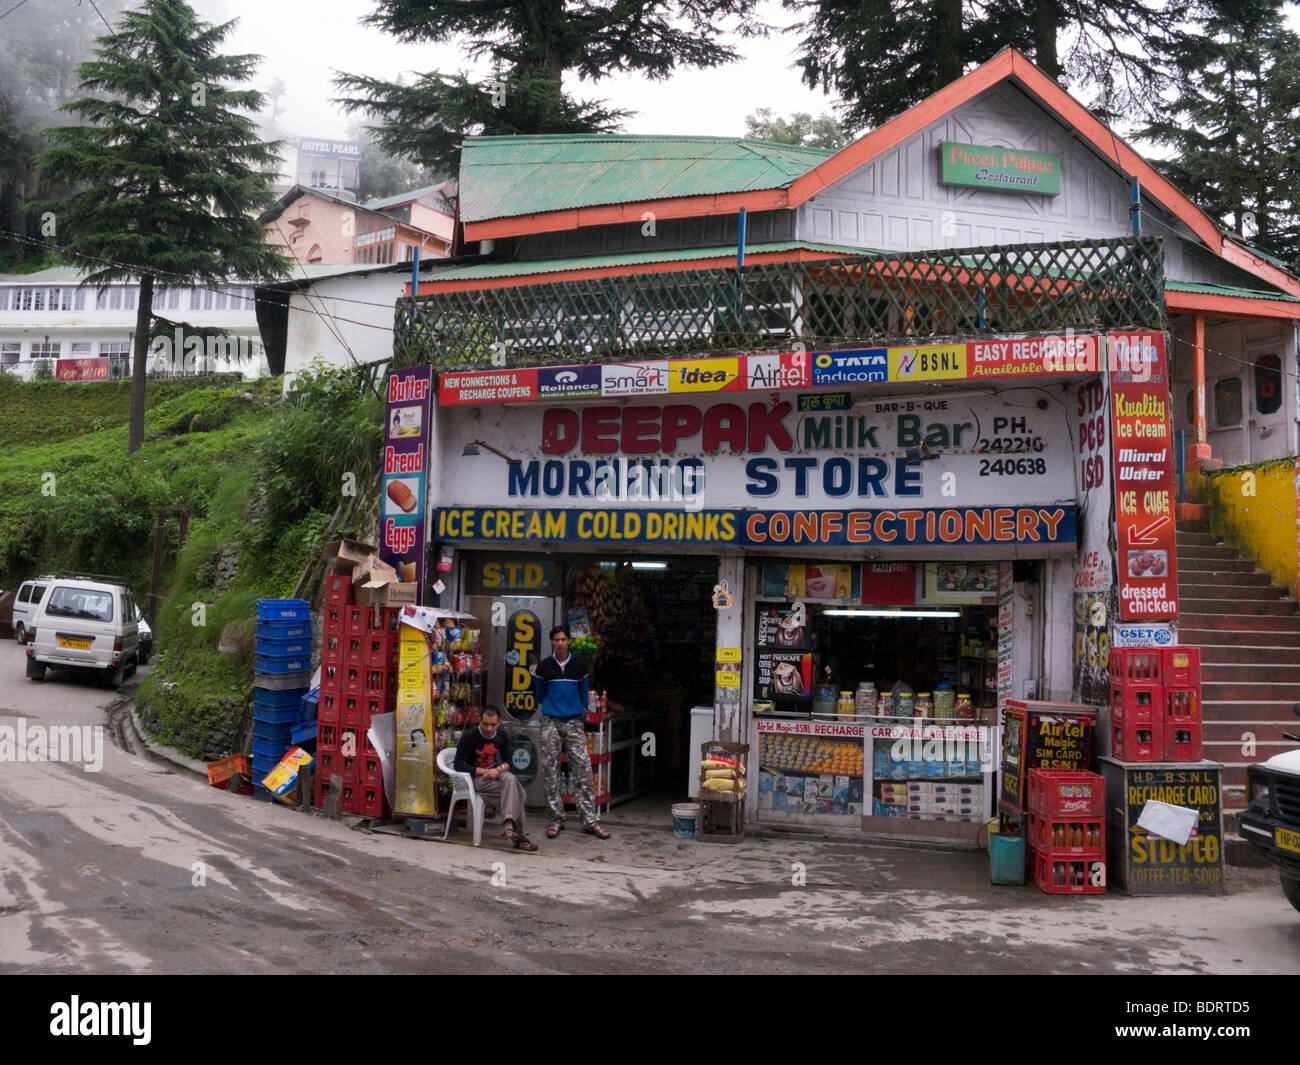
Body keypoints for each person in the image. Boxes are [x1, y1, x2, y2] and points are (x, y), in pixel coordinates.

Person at [532, 625, 610, 840]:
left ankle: (589, 821)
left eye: (563, 639)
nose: (559, 643)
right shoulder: (544, 667)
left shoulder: (579, 665)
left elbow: (583, 693)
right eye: (556, 640)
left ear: (569, 642)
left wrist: (580, 716)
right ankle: (556, 819)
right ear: (552, 642)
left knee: (583, 770)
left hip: (574, 722)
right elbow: (540, 694)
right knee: (551, 771)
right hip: (550, 722)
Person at [452, 705, 537, 851]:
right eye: (485, 724)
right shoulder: (469, 736)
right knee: (516, 792)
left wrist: (497, 770)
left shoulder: (502, 735)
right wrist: (483, 770)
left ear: (499, 723)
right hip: (478, 778)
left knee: (509, 779)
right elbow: (458, 765)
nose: (489, 728)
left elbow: (509, 762)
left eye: (493, 725)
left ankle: (509, 824)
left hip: (496, 774)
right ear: (480, 721)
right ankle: (520, 838)